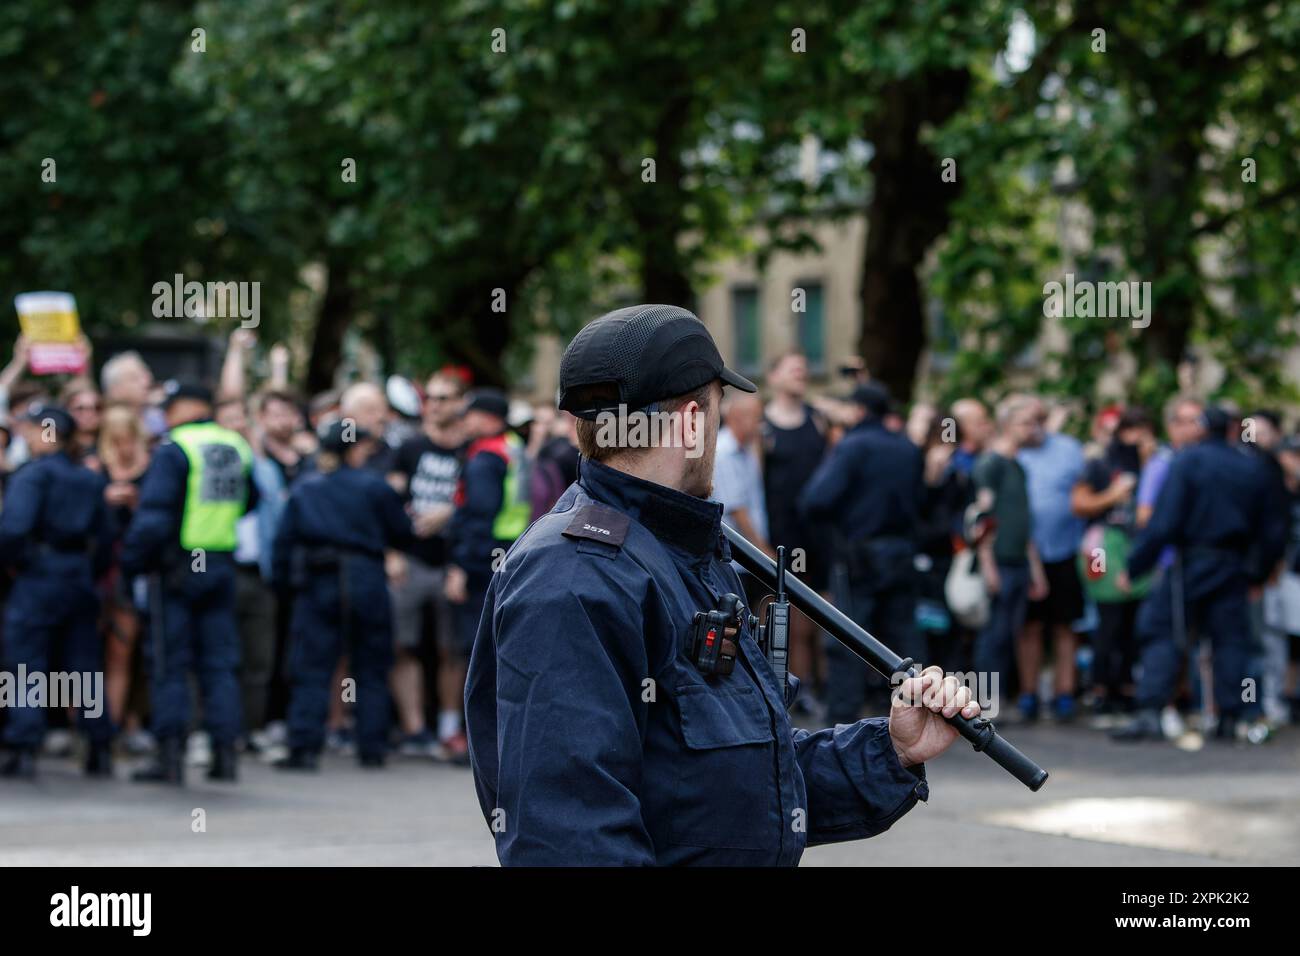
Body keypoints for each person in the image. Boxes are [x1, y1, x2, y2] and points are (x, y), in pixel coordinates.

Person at [465, 304, 980, 865]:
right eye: (715, 411)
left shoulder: (680, 550)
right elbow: (568, 837)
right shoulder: (571, 576)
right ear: (690, 422)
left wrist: (889, 751)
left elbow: (737, 780)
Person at [1113, 407, 1287, 742]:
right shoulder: (1253, 466)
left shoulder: (1188, 461)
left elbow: (1164, 522)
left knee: (1162, 632)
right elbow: (1273, 530)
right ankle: (1232, 716)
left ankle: (1151, 712)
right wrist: (1258, 574)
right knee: (1233, 642)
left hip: (1191, 562)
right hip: (1233, 566)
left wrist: (1136, 566)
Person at [121, 382, 256, 783]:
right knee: (219, 663)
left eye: (168, 407)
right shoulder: (235, 445)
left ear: (186, 407)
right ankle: (224, 755)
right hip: (220, 563)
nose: (163, 415)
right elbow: (251, 501)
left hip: (178, 566)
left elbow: (154, 517)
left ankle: (170, 756)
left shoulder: (175, 447)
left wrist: (132, 564)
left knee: (169, 662)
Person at [272, 420, 415, 770]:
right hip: (365, 578)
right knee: (371, 665)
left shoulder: (306, 489)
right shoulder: (375, 487)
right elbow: (403, 533)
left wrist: (285, 587)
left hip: (320, 581)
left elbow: (283, 543)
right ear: (354, 448)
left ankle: (303, 747)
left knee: (312, 666)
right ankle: (372, 748)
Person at [799, 382, 926, 725]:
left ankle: (843, 719)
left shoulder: (852, 446)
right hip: (901, 555)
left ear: (857, 410)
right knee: (904, 640)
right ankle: (922, 712)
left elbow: (815, 500)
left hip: (860, 559)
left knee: (848, 640)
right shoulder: (908, 449)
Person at [0, 405, 115, 778]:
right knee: (83, 666)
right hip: (78, 576)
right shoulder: (89, 479)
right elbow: (106, 536)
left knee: (25, 663)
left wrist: (12, 563)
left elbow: (14, 529)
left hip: (38, 577)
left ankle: (23, 743)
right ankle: (98, 742)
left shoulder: (32, 475)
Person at [446, 387, 530, 759]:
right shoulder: (513, 447)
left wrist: (461, 567)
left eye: (471, 414)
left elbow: (478, 516)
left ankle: (472, 739)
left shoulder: (486, 458)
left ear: (490, 419)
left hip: (483, 562)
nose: (464, 420)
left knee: (475, 650)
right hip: (510, 553)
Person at [387, 371, 466, 758]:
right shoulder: (409, 447)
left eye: (444, 398)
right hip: (411, 559)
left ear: (461, 402)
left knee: (453, 648)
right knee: (403, 644)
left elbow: (481, 502)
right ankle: (415, 728)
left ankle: (449, 728)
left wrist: (448, 513)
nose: (434, 405)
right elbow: (388, 500)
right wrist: (392, 552)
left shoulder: (470, 450)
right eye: (430, 398)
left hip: (452, 561)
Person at [1072, 406, 1159, 719]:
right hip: (1104, 548)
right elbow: (1080, 504)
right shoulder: (1100, 463)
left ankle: (1126, 688)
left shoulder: (1155, 463)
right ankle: (1101, 690)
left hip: (1139, 548)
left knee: (1134, 625)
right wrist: (1113, 494)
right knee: (1108, 621)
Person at [761, 351, 830, 711]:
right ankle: (793, 689)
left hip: (816, 534)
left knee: (823, 613)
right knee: (787, 613)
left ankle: (820, 687)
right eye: (793, 369)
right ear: (773, 377)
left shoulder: (818, 421)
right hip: (779, 532)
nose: (801, 374)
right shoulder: (763, 426)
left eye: (804, 369)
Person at [971, 395, 1049, 711]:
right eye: (1025, 423)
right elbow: (983, 519)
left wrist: (1036, 570)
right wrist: (988, 564)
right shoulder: (991, 465)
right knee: (993, 636)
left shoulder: (1018, 466)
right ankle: (982, 706)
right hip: (999, 562)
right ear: (1007, 426)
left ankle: (994, 703)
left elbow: (1023, 522)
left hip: (1017, 563)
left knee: (1008, 635)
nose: (1033, 430)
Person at [1016, 397, 1087, 721]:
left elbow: (1083, 492)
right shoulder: (1011, 451)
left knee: (1064, 626)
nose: (1033, 426)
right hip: (1025, 553)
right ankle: (1029, 693)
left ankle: (1064, 693)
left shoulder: (1070, 449)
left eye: (1037, 419)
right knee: (1029, 626)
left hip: (1064, 549)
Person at [96, 404, 153, 746]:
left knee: (122, 654)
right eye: (116, 440)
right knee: (88, 654)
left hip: (131, 571)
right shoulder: (94, 470)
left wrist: (136, 504)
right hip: (96, 571)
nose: (124, 447)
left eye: (129, 439)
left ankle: (113, 729)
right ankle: (88, 729)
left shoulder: (151, 472)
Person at [713, 389, 772, 600]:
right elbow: (738, 512)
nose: (761, 425)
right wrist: (767, 556)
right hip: (738, 562)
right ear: (738, 417)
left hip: (748, 560)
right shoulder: (723, 453)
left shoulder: (746, 450)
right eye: (758, 417)